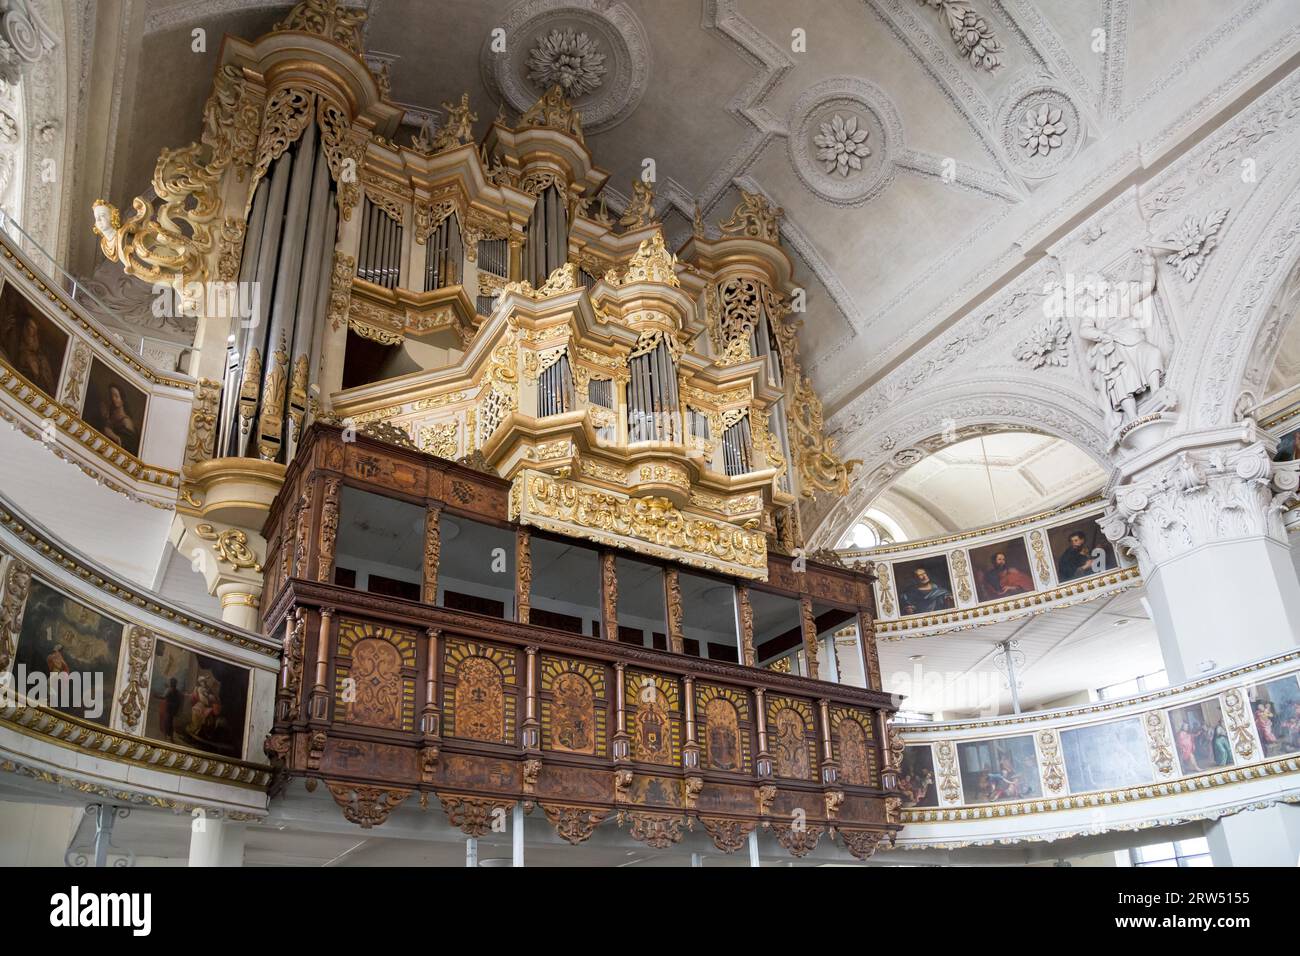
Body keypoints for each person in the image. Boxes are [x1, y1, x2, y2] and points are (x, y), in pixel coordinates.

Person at [10, 316, 57, 396]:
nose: (35, 338)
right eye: (31, 333)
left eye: (35, 334)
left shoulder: (42, 360)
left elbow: (49, 388)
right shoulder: (17, 352)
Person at [96, 383, 138, 451]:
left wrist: (113, 436)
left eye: (116, 396)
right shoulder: (109, 413)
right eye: (111, 396)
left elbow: (128, 446)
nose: (113, 398)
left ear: (122, 399)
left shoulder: (126, 422)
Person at [159, 677, 181, 741]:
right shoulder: (177, 691)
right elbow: (178, 701)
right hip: (173, 709)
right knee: (170, 723)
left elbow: (164, 697)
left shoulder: (169, 690)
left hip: (169, 708)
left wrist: (156, 696)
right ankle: (170, 737)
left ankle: (166, 737)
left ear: (171, 683)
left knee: (167, 722)